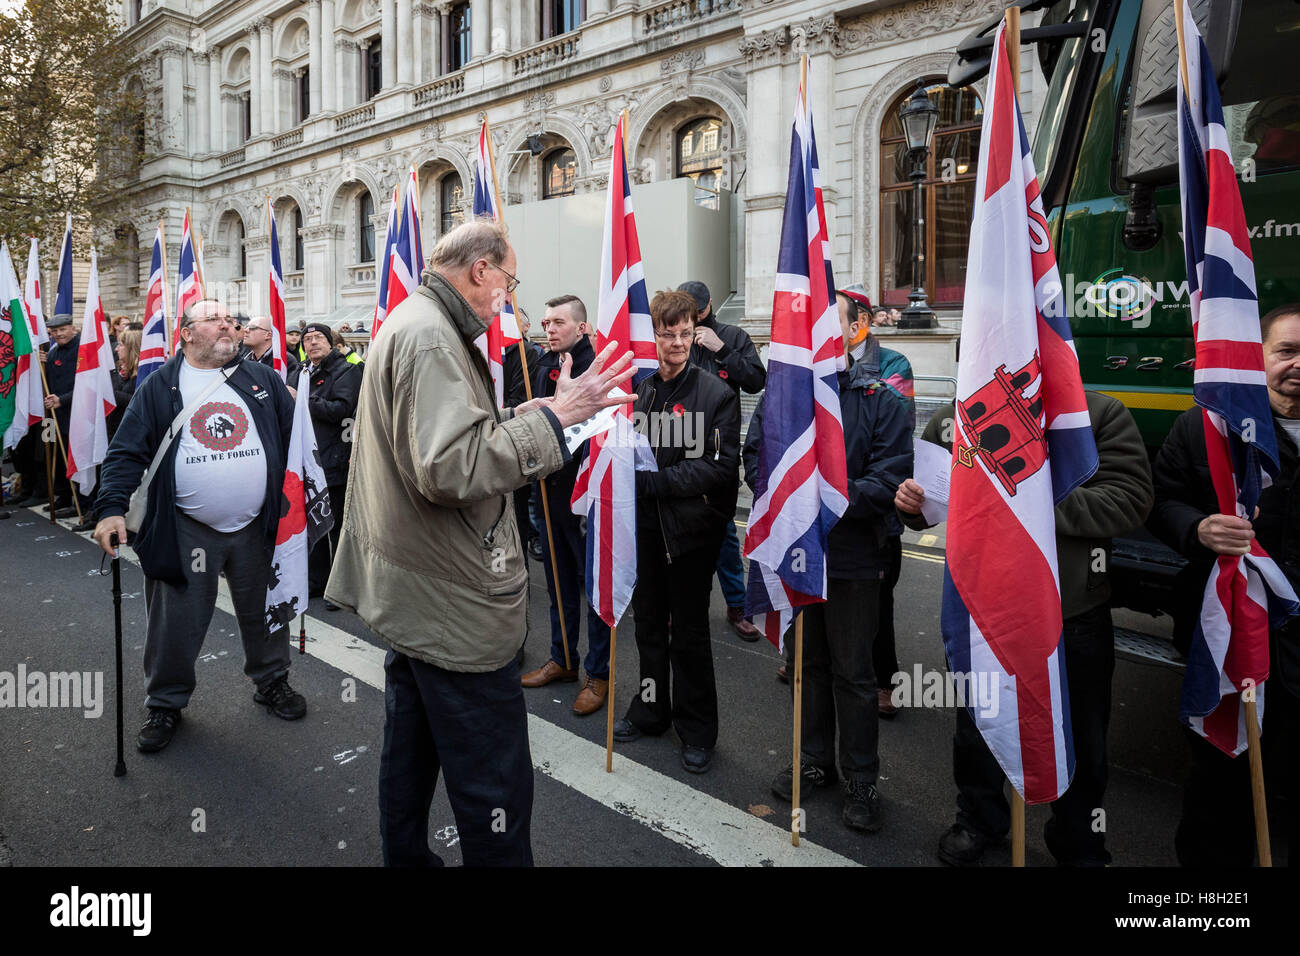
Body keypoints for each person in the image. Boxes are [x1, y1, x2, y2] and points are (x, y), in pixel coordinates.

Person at [324, 218, 635, 867]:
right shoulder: (433, 338)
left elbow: (444, 438)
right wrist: (557, 416)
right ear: (480, 270)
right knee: (494, 787)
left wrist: (522, 416)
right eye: (508, 281)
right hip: (454, 604)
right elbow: (450, 467)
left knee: (408, 755)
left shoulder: (416, 323)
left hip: (420, 591)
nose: (509, 299)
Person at [896, 390, 1153, 865]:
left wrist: (1028, 505)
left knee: (1081, 739)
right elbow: (927, 506)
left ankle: (1079, 839)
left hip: (1070, 613)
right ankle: (980, 821)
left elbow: (1130, 500)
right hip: (983, 611)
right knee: (977, 730)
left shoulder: (1096, 413)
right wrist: (911, 505)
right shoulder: (952, 420)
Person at [91, 299, 305, 753]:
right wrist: (110, 508)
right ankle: (165, 703)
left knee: (264, 611)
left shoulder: (262, 379)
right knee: (175, 622)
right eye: (215, 319)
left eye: (231, 319)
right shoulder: (160, 386)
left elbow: (296, 445)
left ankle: (272, 681)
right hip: (187, 528)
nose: (229, 325)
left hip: (256, 527)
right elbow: (127, 452)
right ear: (187, 333)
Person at [748, 297, 914, 832]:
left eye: (828, 323)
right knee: (808, 666)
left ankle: (862, 777)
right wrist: (786, 501)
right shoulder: (784, 396)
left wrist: (820, 502)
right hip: (799, 556)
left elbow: (889, 478)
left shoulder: (880, 398)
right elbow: (758, 457)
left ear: (852, 330)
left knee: (854, 674)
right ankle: (815, 761)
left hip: (852, 559)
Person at [1148, 303, 1300, 867]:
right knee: (1221, 783)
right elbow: (1159, 503)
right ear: (1257, 357)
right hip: (1228, 640)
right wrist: (1197, 526)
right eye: (1285, 351)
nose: (1296, 365)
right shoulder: (1208, 426)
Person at [612, 289, 740, 774]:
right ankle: (650, 710)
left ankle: (697, 729)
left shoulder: (715, 394)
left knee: (688, 635)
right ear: (655, 336)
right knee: (647, 627)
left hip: (690, 536)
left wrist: (651, 484)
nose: (679, 343)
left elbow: (720, 468)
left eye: (686, 333)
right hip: (643, 531)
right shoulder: (640, 391)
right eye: (669, 335)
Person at [519, 295, 613, 715]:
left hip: (587, 493)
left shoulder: (596, 366)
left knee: (593, 589)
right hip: (550, 490)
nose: (549, 328)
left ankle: (598, 671)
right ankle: (563, 658)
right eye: (545, 321)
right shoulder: (542, 364)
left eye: (558, 321)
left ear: (582, 326)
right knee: (558, 582)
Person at [677, 280, 766, 642]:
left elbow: (756, 380)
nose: (693, 318)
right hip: (679, 443)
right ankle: (679, 604)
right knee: (678, 529)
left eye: (697, 311)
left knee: (724, 531)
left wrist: (722, 349)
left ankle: (737, 605)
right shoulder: (676, 334)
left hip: (719, 448)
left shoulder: (733, 335)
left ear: (709, 304)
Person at [299, 322, 362, 604]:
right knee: (314, 520)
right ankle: (316, 580)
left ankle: (340, 589)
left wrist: (304, 401)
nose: (312, 343)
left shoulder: (346, 371)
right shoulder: (302, 372)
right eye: (307, 339)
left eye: (318, 338)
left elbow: (342, 409)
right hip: (309, 459)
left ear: (331, 343)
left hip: (335, 459)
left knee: (335, 525)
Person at [503, 307, 545, 563]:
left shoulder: (528, 353)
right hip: (497, 436)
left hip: (518, 441)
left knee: (523, 511)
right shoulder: (488, 351)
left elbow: (520, 399)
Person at [39, 313, 85, 518]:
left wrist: (63, 400)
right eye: (54, 331)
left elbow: (86, 385)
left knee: (73, 458)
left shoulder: (82, 350)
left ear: (72, 328)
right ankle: (63, 495)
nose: (59, 334)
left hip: (75, 413)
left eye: (63, 329)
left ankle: (79, 501)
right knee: (56, 457)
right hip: (53, 416)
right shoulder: (55, 351)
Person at [242, 315, 298, 380]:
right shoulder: (245, 360)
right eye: (246, 327)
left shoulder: (285, 361)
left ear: (268, 335)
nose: (246, 330)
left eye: (252, 327)